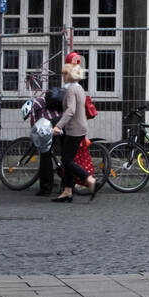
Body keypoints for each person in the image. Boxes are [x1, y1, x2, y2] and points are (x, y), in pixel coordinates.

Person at [51, 53, 98, 203]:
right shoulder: (79, 88)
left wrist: (58, 126)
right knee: (69, 159)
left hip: (74, 129)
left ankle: (89, 179)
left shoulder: (71, 90)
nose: (62, 76)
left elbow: (70, 110)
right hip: (80, 127)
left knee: (66, 160)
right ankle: (68, 191)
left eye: (64, 73)